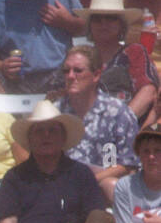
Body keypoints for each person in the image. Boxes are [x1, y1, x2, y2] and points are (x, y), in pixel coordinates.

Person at [0, 100, 106, 223]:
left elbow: (96, 218)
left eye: (52, 130)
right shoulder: (14, 178)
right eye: (39, 130)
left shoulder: (81, 174)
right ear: (29, 139)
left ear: (63, 138)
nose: (46, 135)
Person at [57, 44, 139, 198]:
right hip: (61, 184)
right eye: (66, 71)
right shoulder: (56, 112)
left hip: (101, 184)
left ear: (96, 75)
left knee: (111, 184)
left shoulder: (117, 113)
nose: (70, 76)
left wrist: (89, 181)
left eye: (78, 70)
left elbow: (127, 164)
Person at [79, 0, 158, 127]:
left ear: (121, 24)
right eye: (97, 19)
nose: (103, 24)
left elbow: (148, 91)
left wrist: (119, 122)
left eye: (110, 18)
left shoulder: (134, 52)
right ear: (90, 25)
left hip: (128, 130)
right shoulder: (80, 58)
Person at [114, 120, 161, 223]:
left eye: (158, 151)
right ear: (139, 155)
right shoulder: (125, 185)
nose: (151, 157)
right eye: (146, 151)